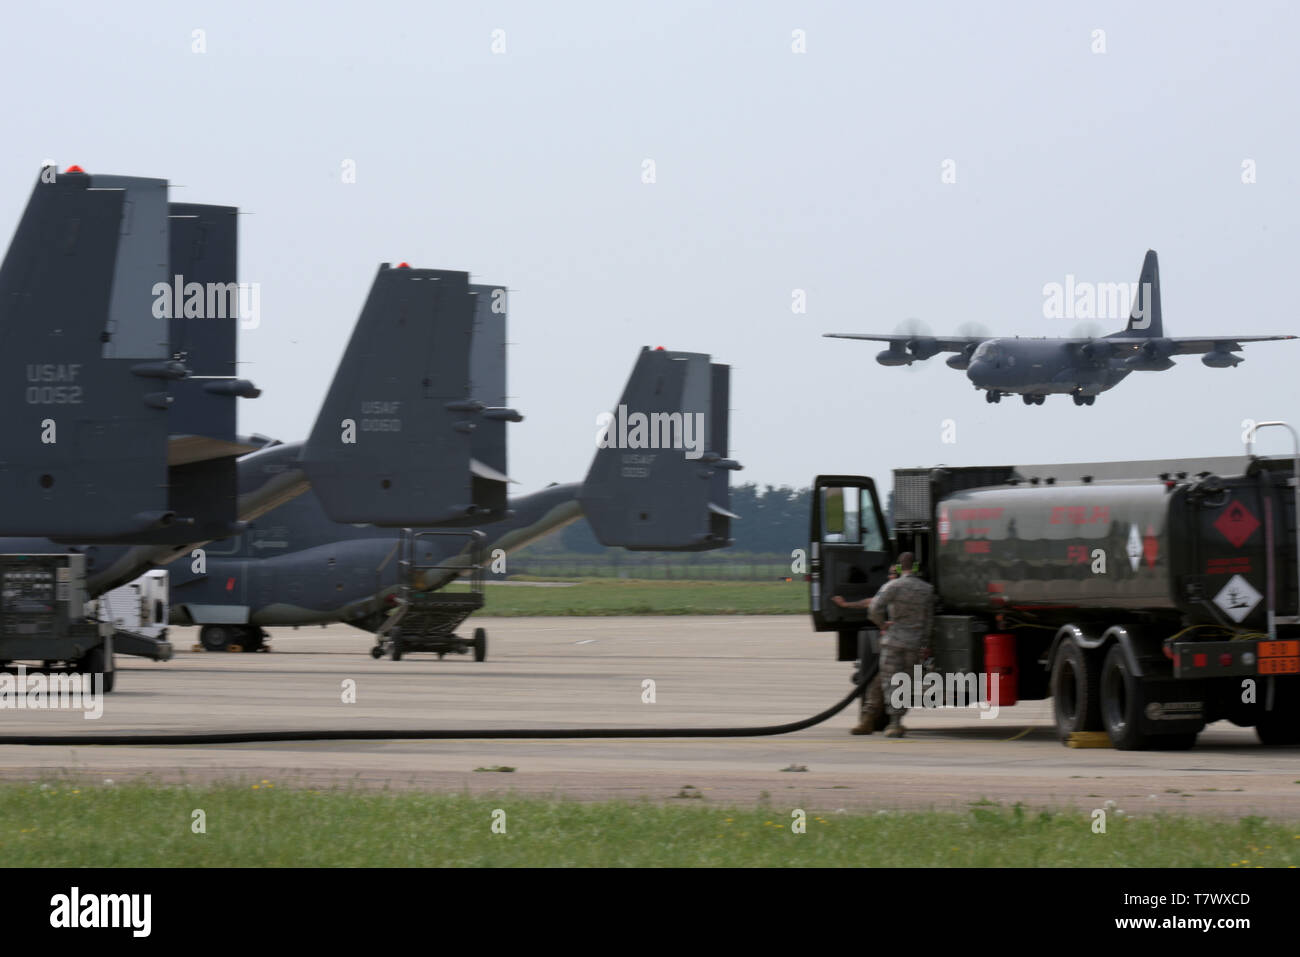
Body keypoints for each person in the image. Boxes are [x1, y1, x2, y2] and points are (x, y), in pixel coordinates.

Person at [832, 552, 935, 738]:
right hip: (914, 643)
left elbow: (873, 608)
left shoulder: (892, 587)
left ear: (898, 568)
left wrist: (882, 625)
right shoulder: (926, 589)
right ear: (917, 567)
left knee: (886, 681)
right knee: (899, 682)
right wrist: (925, 643)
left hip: (893, 641)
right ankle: (885, 721)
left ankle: (878, 720)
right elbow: (929, 620)